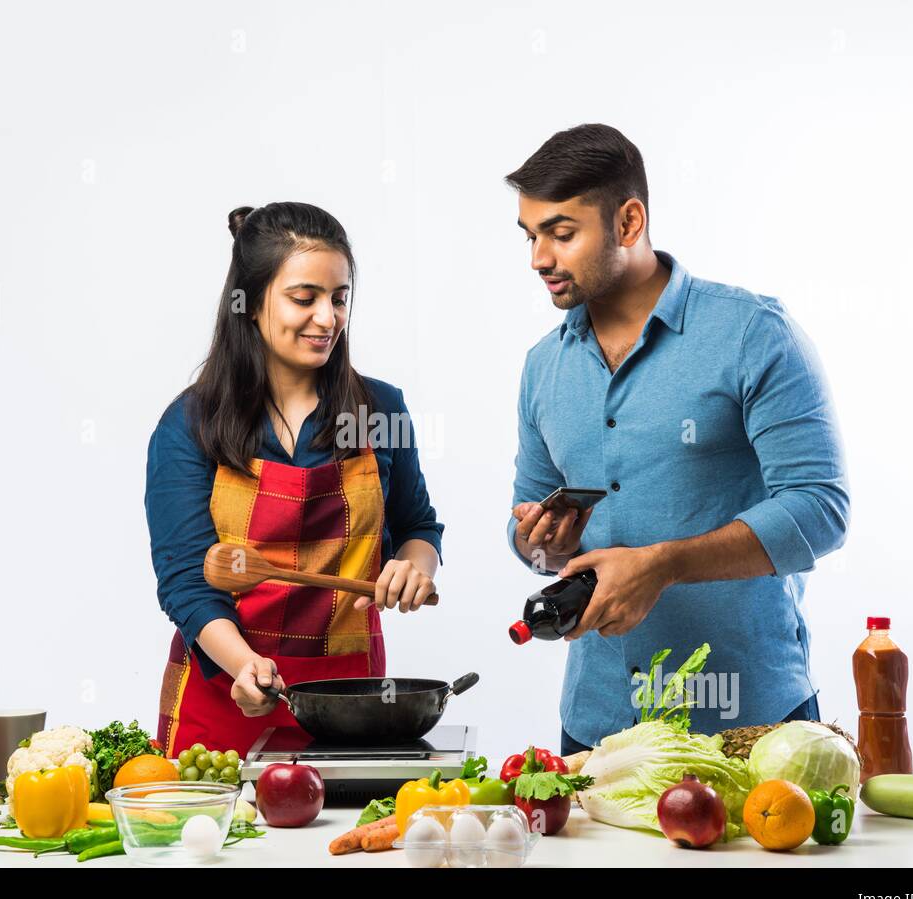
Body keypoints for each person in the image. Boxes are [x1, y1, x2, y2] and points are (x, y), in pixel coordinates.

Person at [505, 125, 849, 753]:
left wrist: (660, 566)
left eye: (560, 233)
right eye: (530, 236)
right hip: (598, 729)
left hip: (751, 723)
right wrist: (541, 544)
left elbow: (820, 511)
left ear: (629, 222)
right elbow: (526, 525)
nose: (539, 259)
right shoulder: (541, 367)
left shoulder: (754, 334)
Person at [145, 202, 444, 758]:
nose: (328, 318)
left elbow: (418, 525)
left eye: (339, 298)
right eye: (304, 298)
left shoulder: (380, 409)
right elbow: (187, 579)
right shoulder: (189, 424)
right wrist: (245, 666)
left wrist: (413, 566)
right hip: (227, 700)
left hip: (353, 704)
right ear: (251, 302)